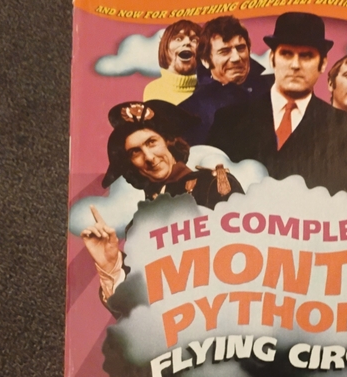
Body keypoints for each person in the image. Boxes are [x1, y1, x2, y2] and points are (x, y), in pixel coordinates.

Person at [81, 99, 242, 305]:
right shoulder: (138, 225)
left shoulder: (212, 185)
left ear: (168, 141)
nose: (148, 157)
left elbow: (244, 262)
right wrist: (110, 266)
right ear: (131, 164)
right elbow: (131, 310)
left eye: (151, 142)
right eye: (135, 152)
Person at [207, 12, 347, 200]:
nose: (295, 65)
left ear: (322, 64)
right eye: (286, 54)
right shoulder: (228, 120)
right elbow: (206, 195)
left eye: (306, 56)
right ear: (272, 59)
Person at [179, 16, 273, 145]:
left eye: (240, 48)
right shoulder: (189, 111)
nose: (236, 58)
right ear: (206, 61)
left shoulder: (275, 88)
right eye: (224, 51)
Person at [143, 20, 202, 105]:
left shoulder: (211, 92)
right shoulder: (153, 90)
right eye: (178, 39)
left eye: (194, 40)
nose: (187, 42)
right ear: (165, 48)